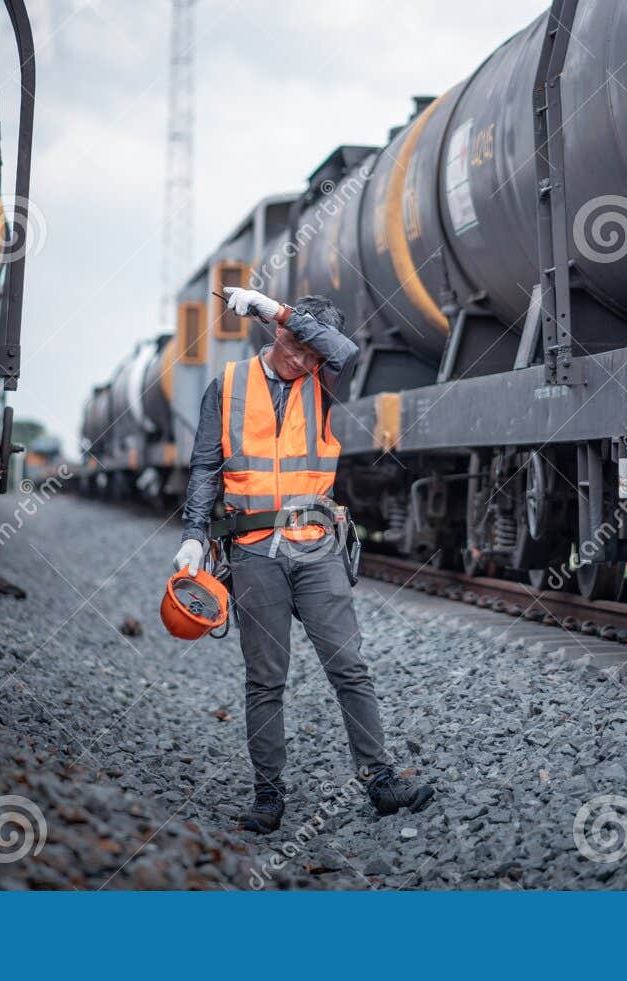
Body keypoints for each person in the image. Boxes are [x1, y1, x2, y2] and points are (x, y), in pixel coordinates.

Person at [176, 286, 435, 833]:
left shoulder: (323, 375)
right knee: (266, 679)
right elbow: (205, 467)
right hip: (251, 552)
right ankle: (268, 797)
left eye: (309, 354)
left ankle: (381, 781)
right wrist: (195, 535)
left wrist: (278, 308)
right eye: (294, 346)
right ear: (276, 336)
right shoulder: (226, 387)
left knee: (349, 668)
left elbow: (347, 352)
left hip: (316, 548)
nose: (300, 361)